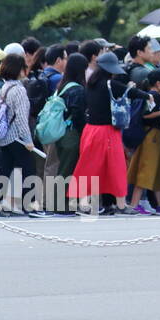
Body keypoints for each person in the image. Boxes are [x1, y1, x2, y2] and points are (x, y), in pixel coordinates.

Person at [69, 52, 146, 215]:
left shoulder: (89, 84)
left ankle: (83, 204)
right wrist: (148, 96)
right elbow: (134, 94)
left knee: (88, 167)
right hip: (108, 132)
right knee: (116, 167)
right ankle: (120, 204)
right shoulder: (111, 84)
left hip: (90, 130)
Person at [44, 52, 88, 214]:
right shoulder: (77, 89)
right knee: (66, 170)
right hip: (71, 134)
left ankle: (58, 203)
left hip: (61, 131)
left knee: (62, 169)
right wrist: (84, 132)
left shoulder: (63, 85)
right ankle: (60, 206)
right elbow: (78, 115)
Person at [0, 51, 38, 217]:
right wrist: (28, 141)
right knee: (29, 169)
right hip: (18, 139)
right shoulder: (19, 90)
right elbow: (21, 119)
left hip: (5, 137)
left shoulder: (5, 87)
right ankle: (30, 206)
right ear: (20, 69)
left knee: (5, 171)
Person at [125, 69, 160, 215]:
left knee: (155, 171)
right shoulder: (154, 95)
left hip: (150, 135)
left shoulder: (149, 94)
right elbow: (146, 115)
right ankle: (134, 204)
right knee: (146, 169)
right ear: (159, 83)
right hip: (151, 136)